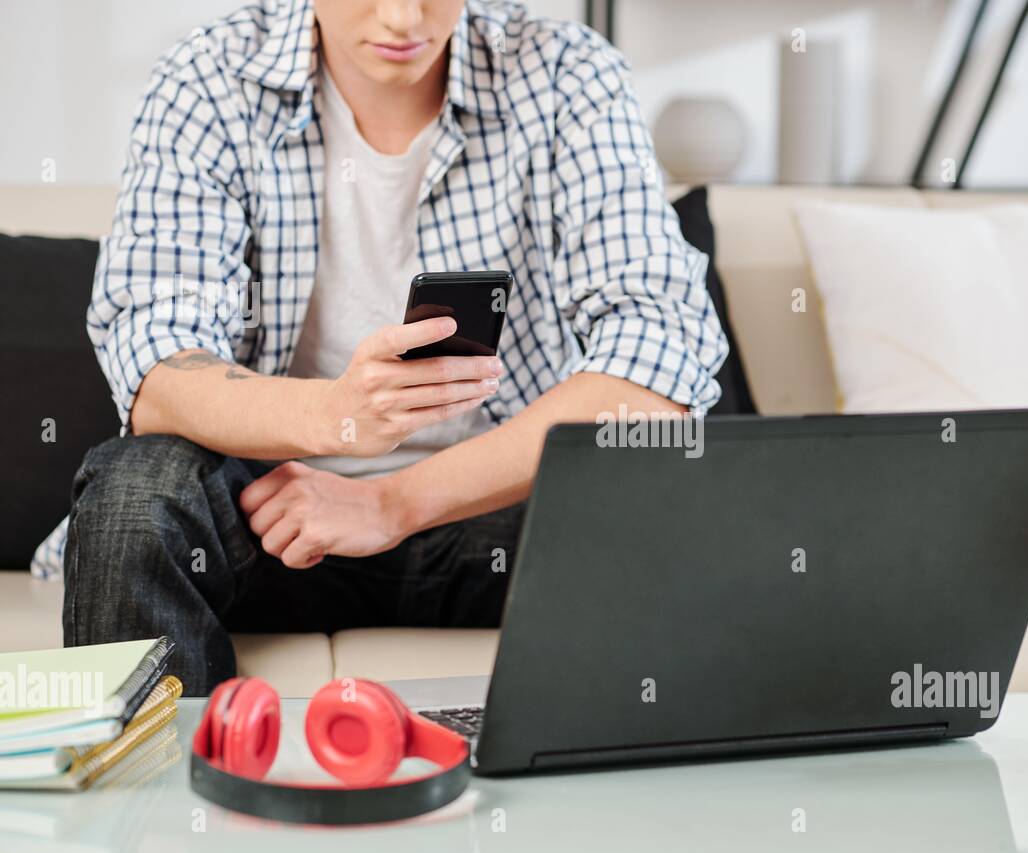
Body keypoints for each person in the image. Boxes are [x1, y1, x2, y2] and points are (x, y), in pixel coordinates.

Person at [33, 0, 726, 695]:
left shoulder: (566, 73)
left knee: (673, 499)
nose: (403, 18)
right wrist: (335, 413)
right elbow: (156, 365)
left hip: (490, 520)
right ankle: (153, 798)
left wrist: (391, 503)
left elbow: (658, 356)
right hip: (271, 522)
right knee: (136, 488)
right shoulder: (210, 75)